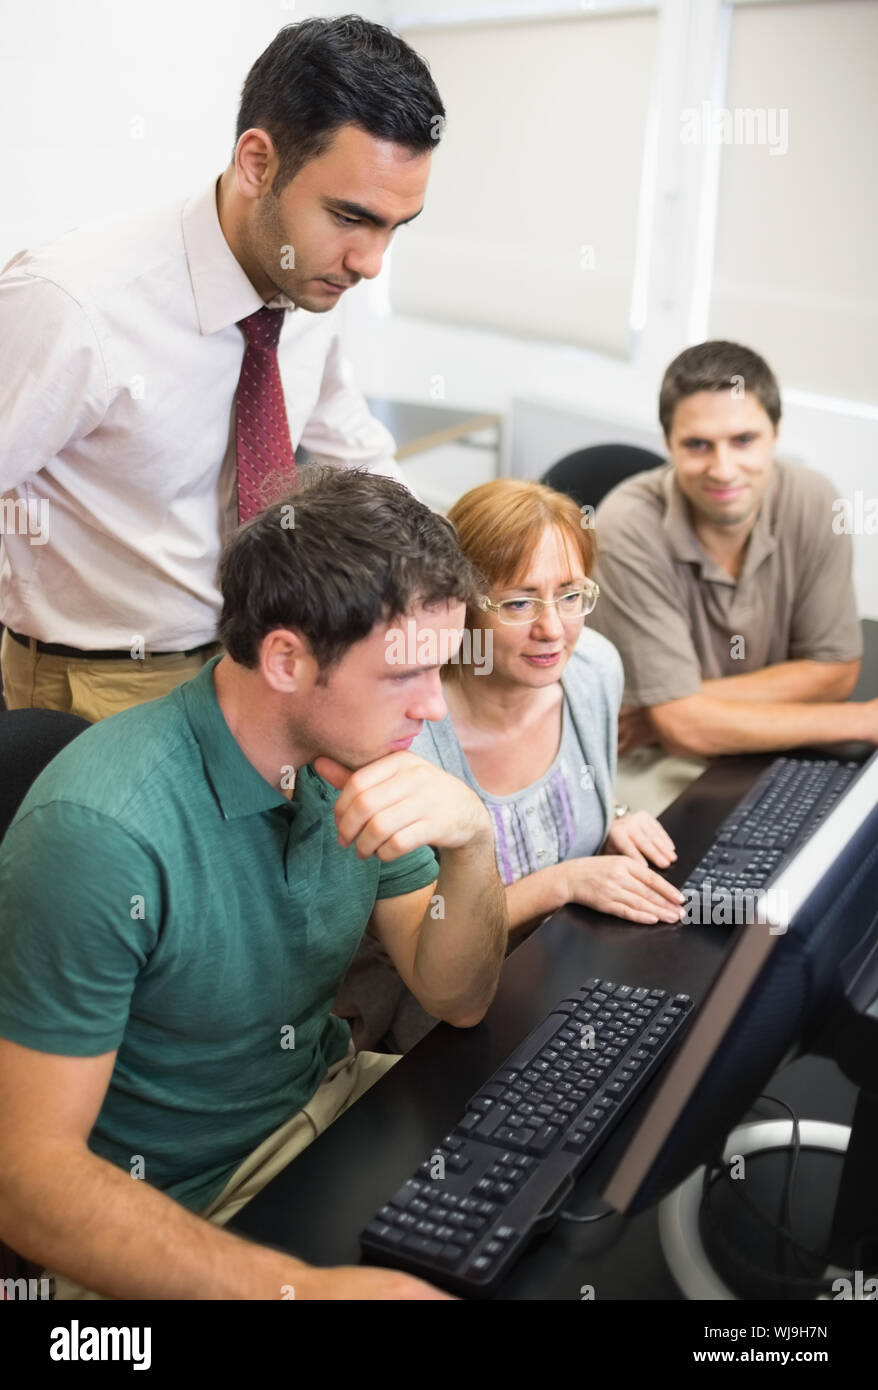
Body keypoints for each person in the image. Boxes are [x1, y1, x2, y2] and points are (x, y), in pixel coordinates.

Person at [0, 469, 507, 1301]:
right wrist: (298, 1294)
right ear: (285, 659)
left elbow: (456, 997)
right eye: (404, 675)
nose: (435, 709)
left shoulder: (354, 755)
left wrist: (471, 845)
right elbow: (27, 1183)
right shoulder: (102, 832)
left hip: (330, 1120)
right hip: (184, 1217)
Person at [0, 16, 444, 721]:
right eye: (351, 217)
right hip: (103, 683)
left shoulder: (308, 281)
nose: (371, 263)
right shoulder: (71, 303)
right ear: (258, 163)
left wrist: (473, 581)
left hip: (257, 658)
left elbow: (354, 450)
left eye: (395, 226)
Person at [334, 478, 685, 1053]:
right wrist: (563, 881)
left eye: (571, 595)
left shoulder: (593, 669)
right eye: (519, 602)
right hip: (430, 1035)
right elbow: (429, 949)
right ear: (460, 606)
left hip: (565, 983)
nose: (552, 628)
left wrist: (607, 816)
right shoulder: (409, 735)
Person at [588, 340, 878, 816]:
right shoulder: (626, 525)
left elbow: (836, 672)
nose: (723, 470)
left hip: (763, 740)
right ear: (669, 444)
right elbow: (684, 731)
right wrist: (862, 721)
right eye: (698, 444)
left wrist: (673, 704)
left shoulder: (815, 500)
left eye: (743, 440)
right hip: (647, 757)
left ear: (776, 434)